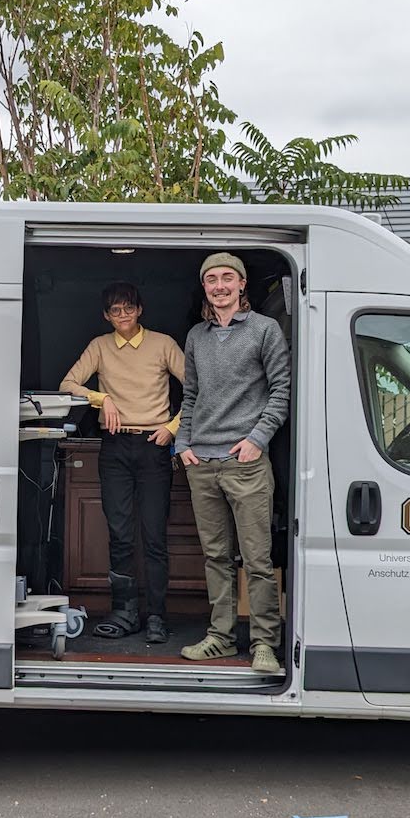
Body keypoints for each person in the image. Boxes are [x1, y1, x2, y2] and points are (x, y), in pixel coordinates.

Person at [175, 252, 291, 674]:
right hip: (201, 462)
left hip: (245, 464)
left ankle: (264, 644)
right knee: (216, 558)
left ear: (242, 284)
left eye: (227, 278)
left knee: (258, 561)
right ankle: (221, 638)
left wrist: (256, 440)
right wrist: (182, 444)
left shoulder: (265, 330)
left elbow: (281, 390)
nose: (219, 286)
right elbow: (189, 397)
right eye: (211, 279)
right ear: (204, 287)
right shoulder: (195, 337)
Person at [60, 282, 184, 644]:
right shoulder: (99, 346)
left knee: (154, 535)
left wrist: (173, 428)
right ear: (106, 315)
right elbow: (68, 384)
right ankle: (125, 612)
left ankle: (158, 616)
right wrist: (102, 399)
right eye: (115, 310)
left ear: (140, 310)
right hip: (114, 448)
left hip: (154, 446)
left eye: (128, 308)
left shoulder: (163, 344)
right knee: (120, 533)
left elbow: (196, 389)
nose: (123, 315)